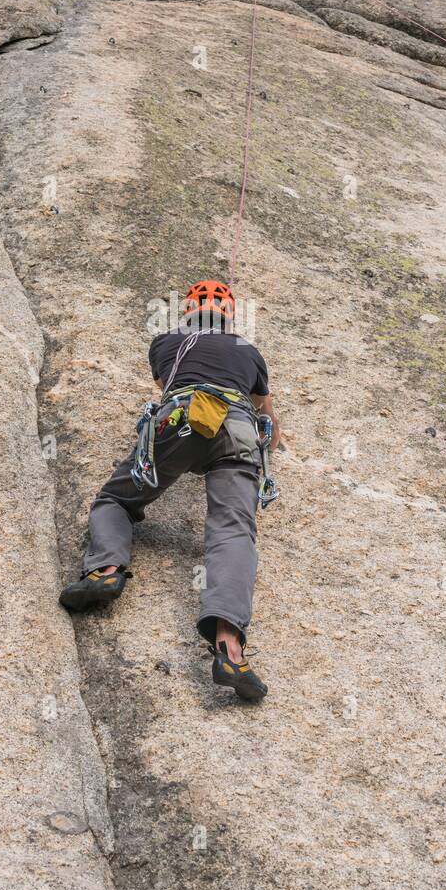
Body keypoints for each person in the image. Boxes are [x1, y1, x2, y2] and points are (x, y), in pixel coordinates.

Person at [60, 279, 279, 702]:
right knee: (233, 532)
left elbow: (169, 385)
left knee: (115, 500)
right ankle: (231, 650)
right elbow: (268, 422)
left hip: (181, 421)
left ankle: (104, 572)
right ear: (230, 316)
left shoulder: (166, 342)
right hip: (237, 431)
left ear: (187, 313)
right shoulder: (249, 353)